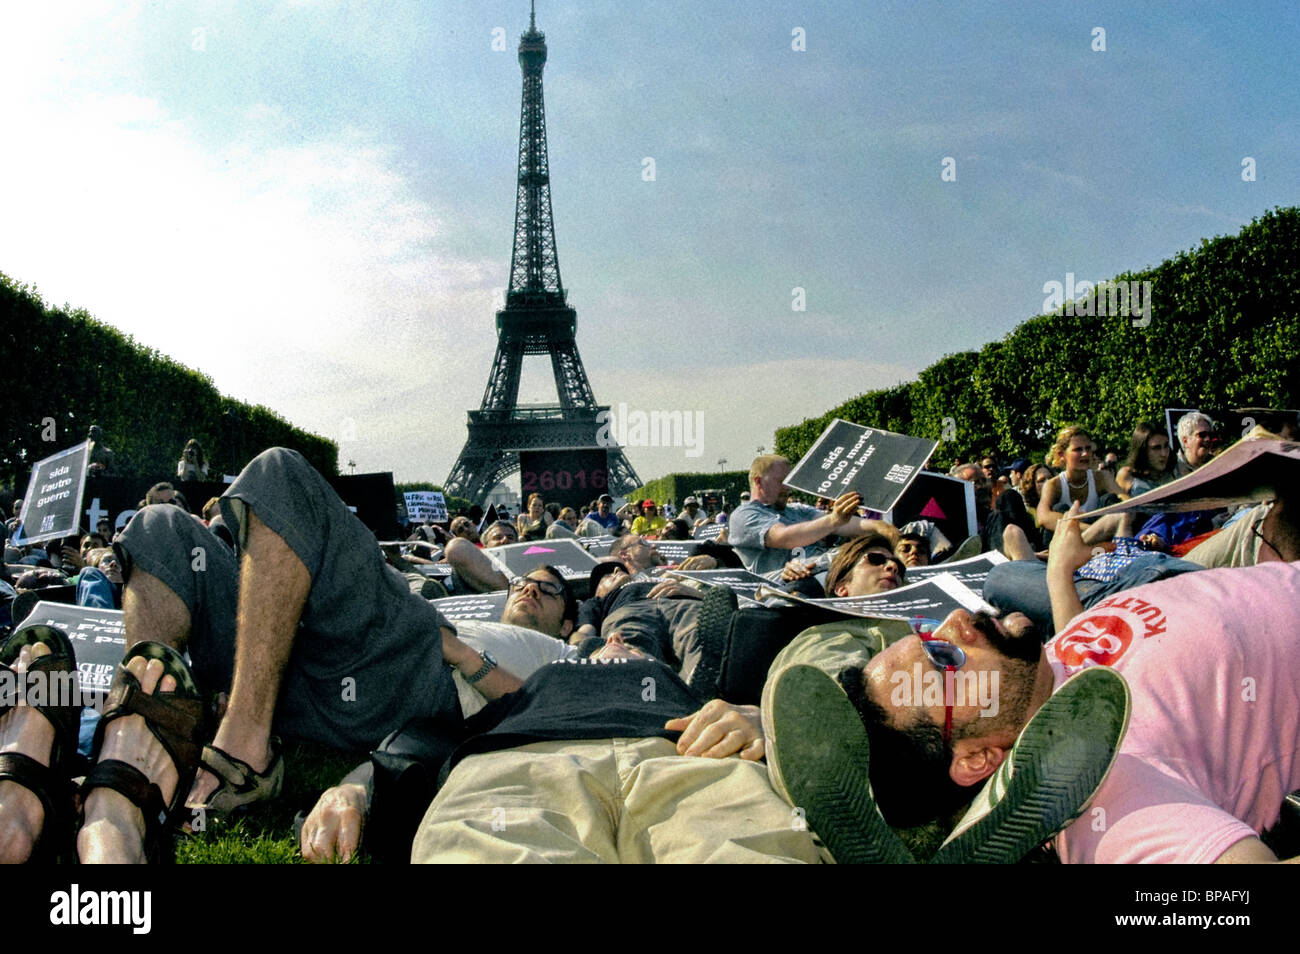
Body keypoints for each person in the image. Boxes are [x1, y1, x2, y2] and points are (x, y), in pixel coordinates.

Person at [809, 489, 1300, 863]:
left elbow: (1088, 660)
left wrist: (1059, 576)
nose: (957, 622)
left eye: (929, 632)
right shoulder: (1103, 792)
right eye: (944, 659)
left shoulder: (1038, 680)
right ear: (979, 758)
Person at [728, 454, 889, 578]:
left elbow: (843, 525)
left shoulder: (798, 509)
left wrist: (879, 527)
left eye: (789, 482)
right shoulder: (744, 515)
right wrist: (833, 520)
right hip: (791, 588)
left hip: (828, 574)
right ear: (758, 482)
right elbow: (784, 538)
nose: (788, 488)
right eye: (781, 481)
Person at [1036, 426, 1121, 534]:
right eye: (1078, 449)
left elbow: (1126, 500)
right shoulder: (1054, 485)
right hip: (1068, 542)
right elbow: (1043, 517)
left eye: (1088, 448)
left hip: (1100, 541)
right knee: (1059, 508)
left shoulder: (1102, 477)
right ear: (1062, 455)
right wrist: (1091, 530)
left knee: (1110, 499)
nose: (1085, 454)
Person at [1115, 422, 1175, 497]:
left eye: (1166, 446)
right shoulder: (1127, 474)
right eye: (1156, 448)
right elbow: (1120, 506)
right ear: (1142, 450)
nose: (1164, 454)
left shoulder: (1174, 473)